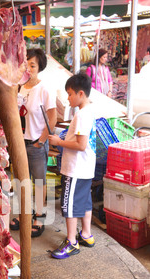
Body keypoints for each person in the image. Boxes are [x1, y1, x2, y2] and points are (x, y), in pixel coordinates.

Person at [48, 72, 96, 259]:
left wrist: (59, 143)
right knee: (84, 202)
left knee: (68, 205)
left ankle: (72, 242)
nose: (68, 98)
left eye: (70, 94)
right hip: (85, 168)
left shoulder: (82, 115)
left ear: (81, 94)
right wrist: (63, 136)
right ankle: (86, 234)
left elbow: (81, 145)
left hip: (75, 169)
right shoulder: (89, 111)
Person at [10, 48, 57, 238]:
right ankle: (24, 215)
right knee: (22, 181)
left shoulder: (44, 89)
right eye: (26, 64)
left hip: (36, 142)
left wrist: (41, 141)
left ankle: (39, 216)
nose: (29, 68)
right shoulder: (19, 87)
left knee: (39, 182)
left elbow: (52, 117)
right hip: (20, 142)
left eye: (33, 65)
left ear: (39, 67)